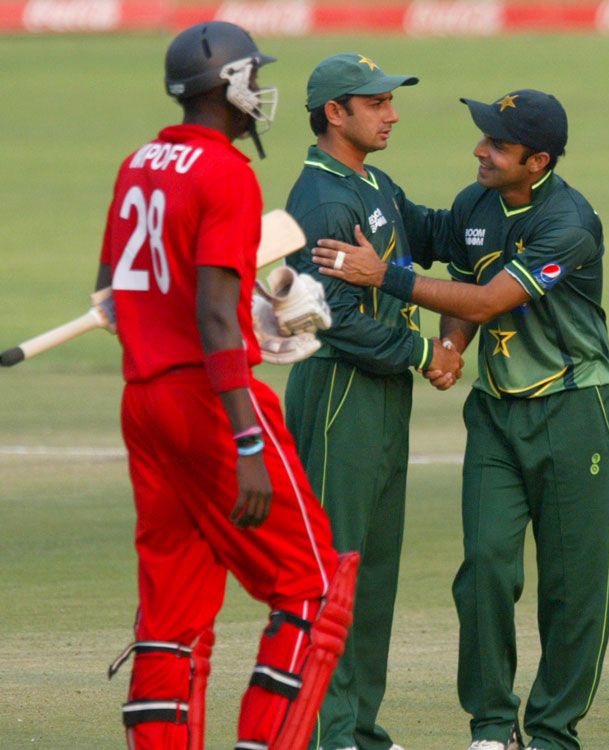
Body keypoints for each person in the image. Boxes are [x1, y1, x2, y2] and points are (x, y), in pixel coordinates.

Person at [312, 89, 609, 750]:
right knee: (483, 568)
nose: (480, 150)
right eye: (483, 136)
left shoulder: (569, 222)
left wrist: (384, 276)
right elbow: (463, 279)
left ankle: (554, 731)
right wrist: (450, 347)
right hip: (497, 418)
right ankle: (490, 727)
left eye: (497, 144)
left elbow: (486, 299)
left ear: (536, 161)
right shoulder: (477, 202)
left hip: (574, 410)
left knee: (573, 588)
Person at [95, 21, 358, 749]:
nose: (261, 93)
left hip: (143, 402)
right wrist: (246, 435)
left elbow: (114, 296)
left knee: (173, 609)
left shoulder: (137, 163)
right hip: (210, 404)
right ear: (232, 86)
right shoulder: (226, 173)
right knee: (313, 586)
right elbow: (213, 315)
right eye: (254, 77)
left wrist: (255, 321)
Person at [282, 53, 463, 750]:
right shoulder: (327, 198)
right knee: (336, 571)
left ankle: (358, 729)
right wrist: (428, 352)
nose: (392, 114)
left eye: (391, 101)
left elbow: (433, 233)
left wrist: (508, 204)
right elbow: (328, 318)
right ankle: (327, 733)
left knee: (374, 575)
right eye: (377, 103)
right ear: (336, 112)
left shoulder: (372, 181)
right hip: (339, 397)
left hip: (380, 397)